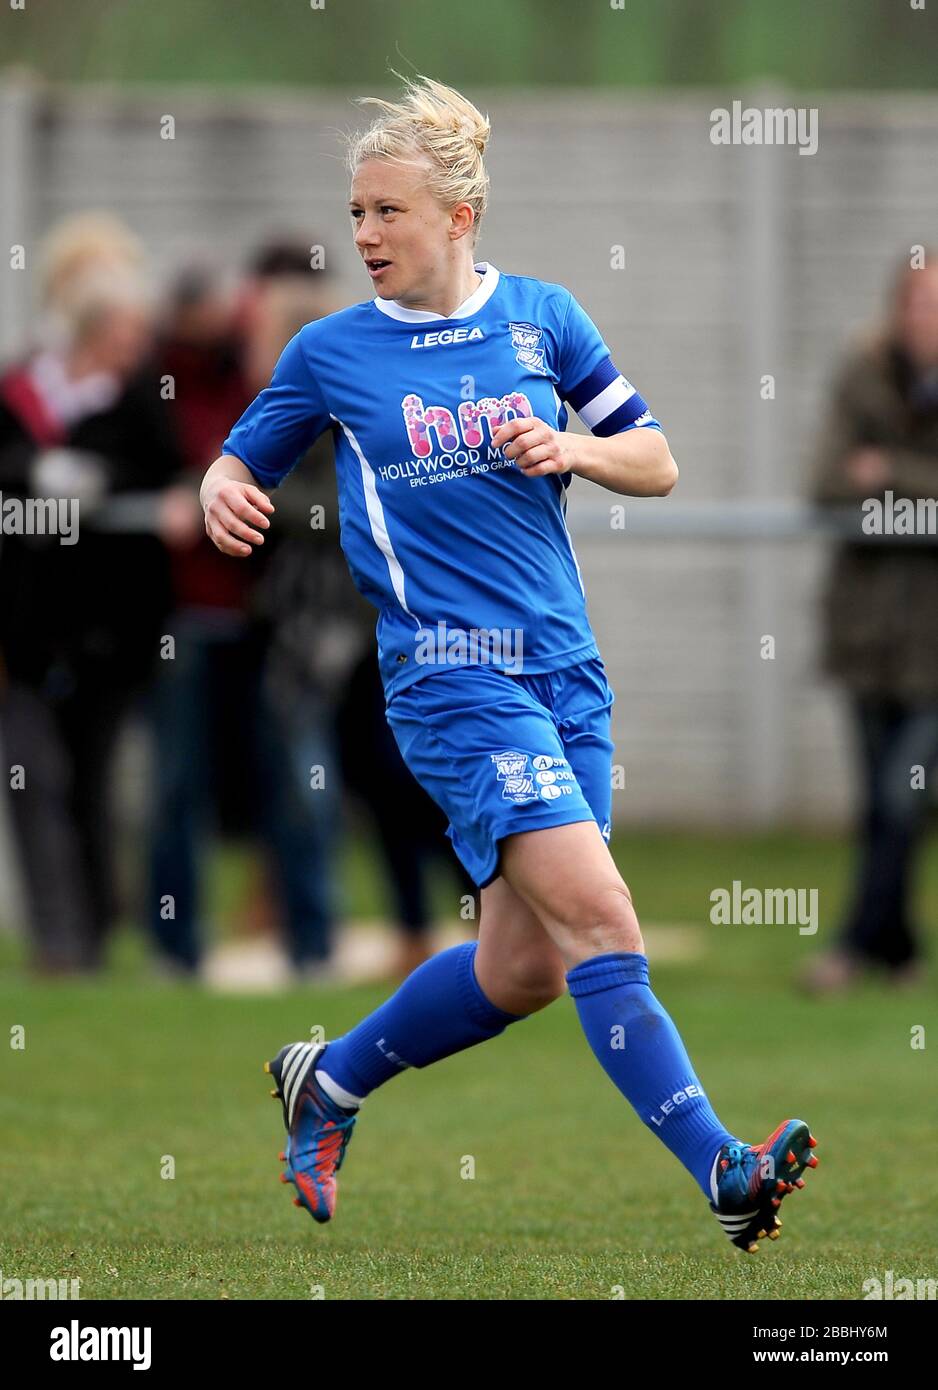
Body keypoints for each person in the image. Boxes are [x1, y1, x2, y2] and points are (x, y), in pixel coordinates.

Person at [200, 75, 818, 1253]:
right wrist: (225, 492)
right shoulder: (332, 352)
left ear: (458, 217)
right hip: (449, 676)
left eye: (388, 211)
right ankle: (724, 1171)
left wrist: (572, 443)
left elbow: (657, 459)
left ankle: (326, 1081)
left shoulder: (542, 317)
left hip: (563, 674)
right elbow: (237, 463)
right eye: (357, 212)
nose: (365, 235)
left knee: (526, 966)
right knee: (600, 917)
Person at [0, 213, 193, 972]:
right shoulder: (22, 393)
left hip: (115, 631)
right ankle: (60, 941)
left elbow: (168, 468)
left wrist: (105, 479)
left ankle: (98, 935)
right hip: (28, 627)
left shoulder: (140, 398)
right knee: (34, 779)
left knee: (95, 784)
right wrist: (38, 475)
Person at [804, 255, 938, 993]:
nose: (928, 319)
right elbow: (823, 485)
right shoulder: (862, 373)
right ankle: (903, 953)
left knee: (900, 794)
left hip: (934, 646)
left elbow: (866, 481)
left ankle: (853, 947)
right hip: (865, 630)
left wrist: (888, 467)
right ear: (899, 308)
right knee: (883, 800)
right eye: (919, 303)